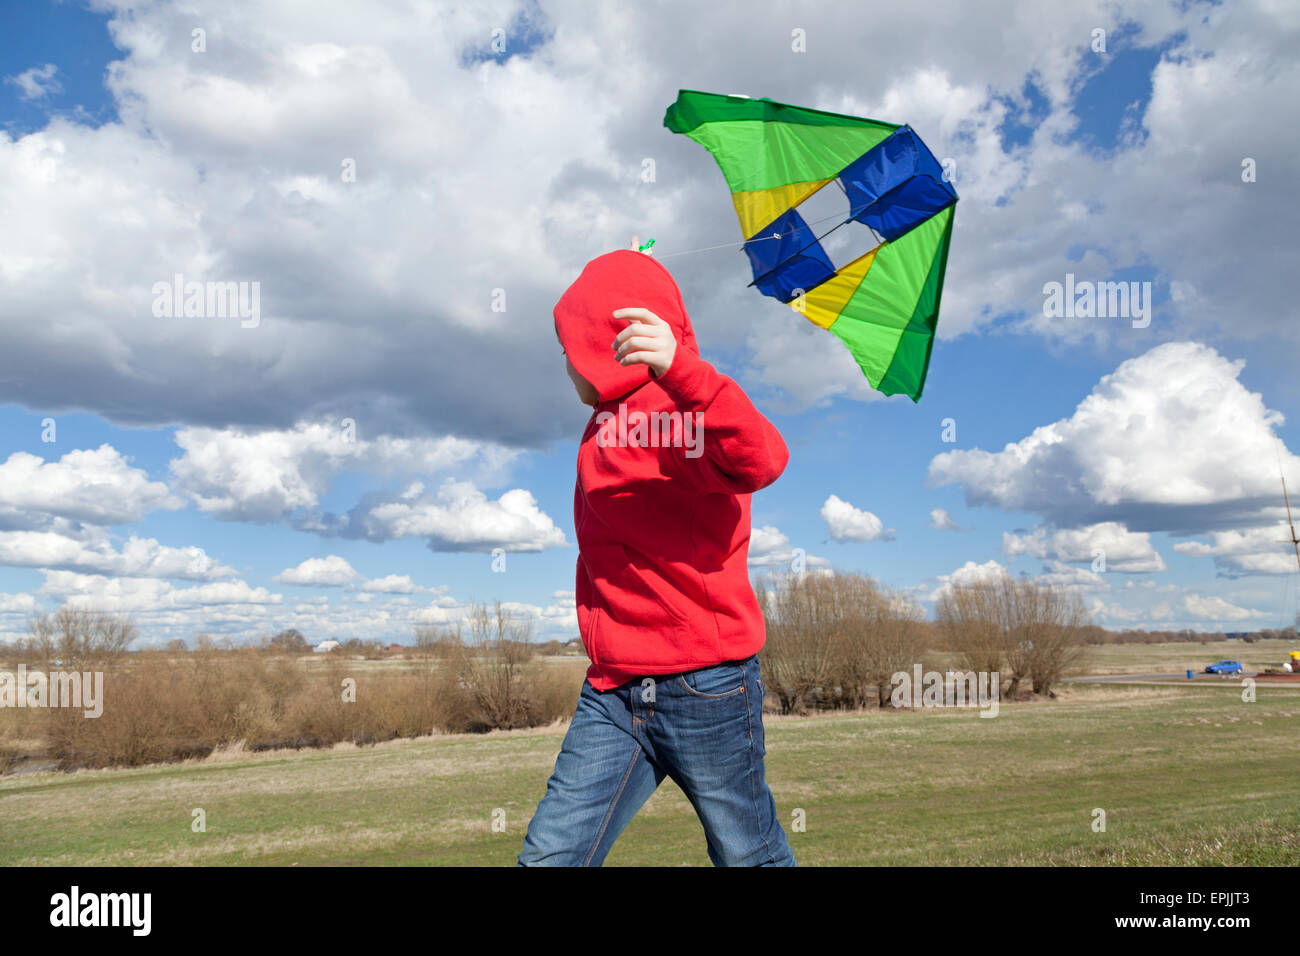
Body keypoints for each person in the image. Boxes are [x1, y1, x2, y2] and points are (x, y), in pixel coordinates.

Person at [517, 242, 795, 866]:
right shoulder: (606, 424)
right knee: (550, 857)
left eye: (570, 349)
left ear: (605, 345)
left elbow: (763, 458)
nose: (566, 366)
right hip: (613, 691)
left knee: (747, 854)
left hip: (707, 687)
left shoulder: (685, 409)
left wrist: (683, 369)